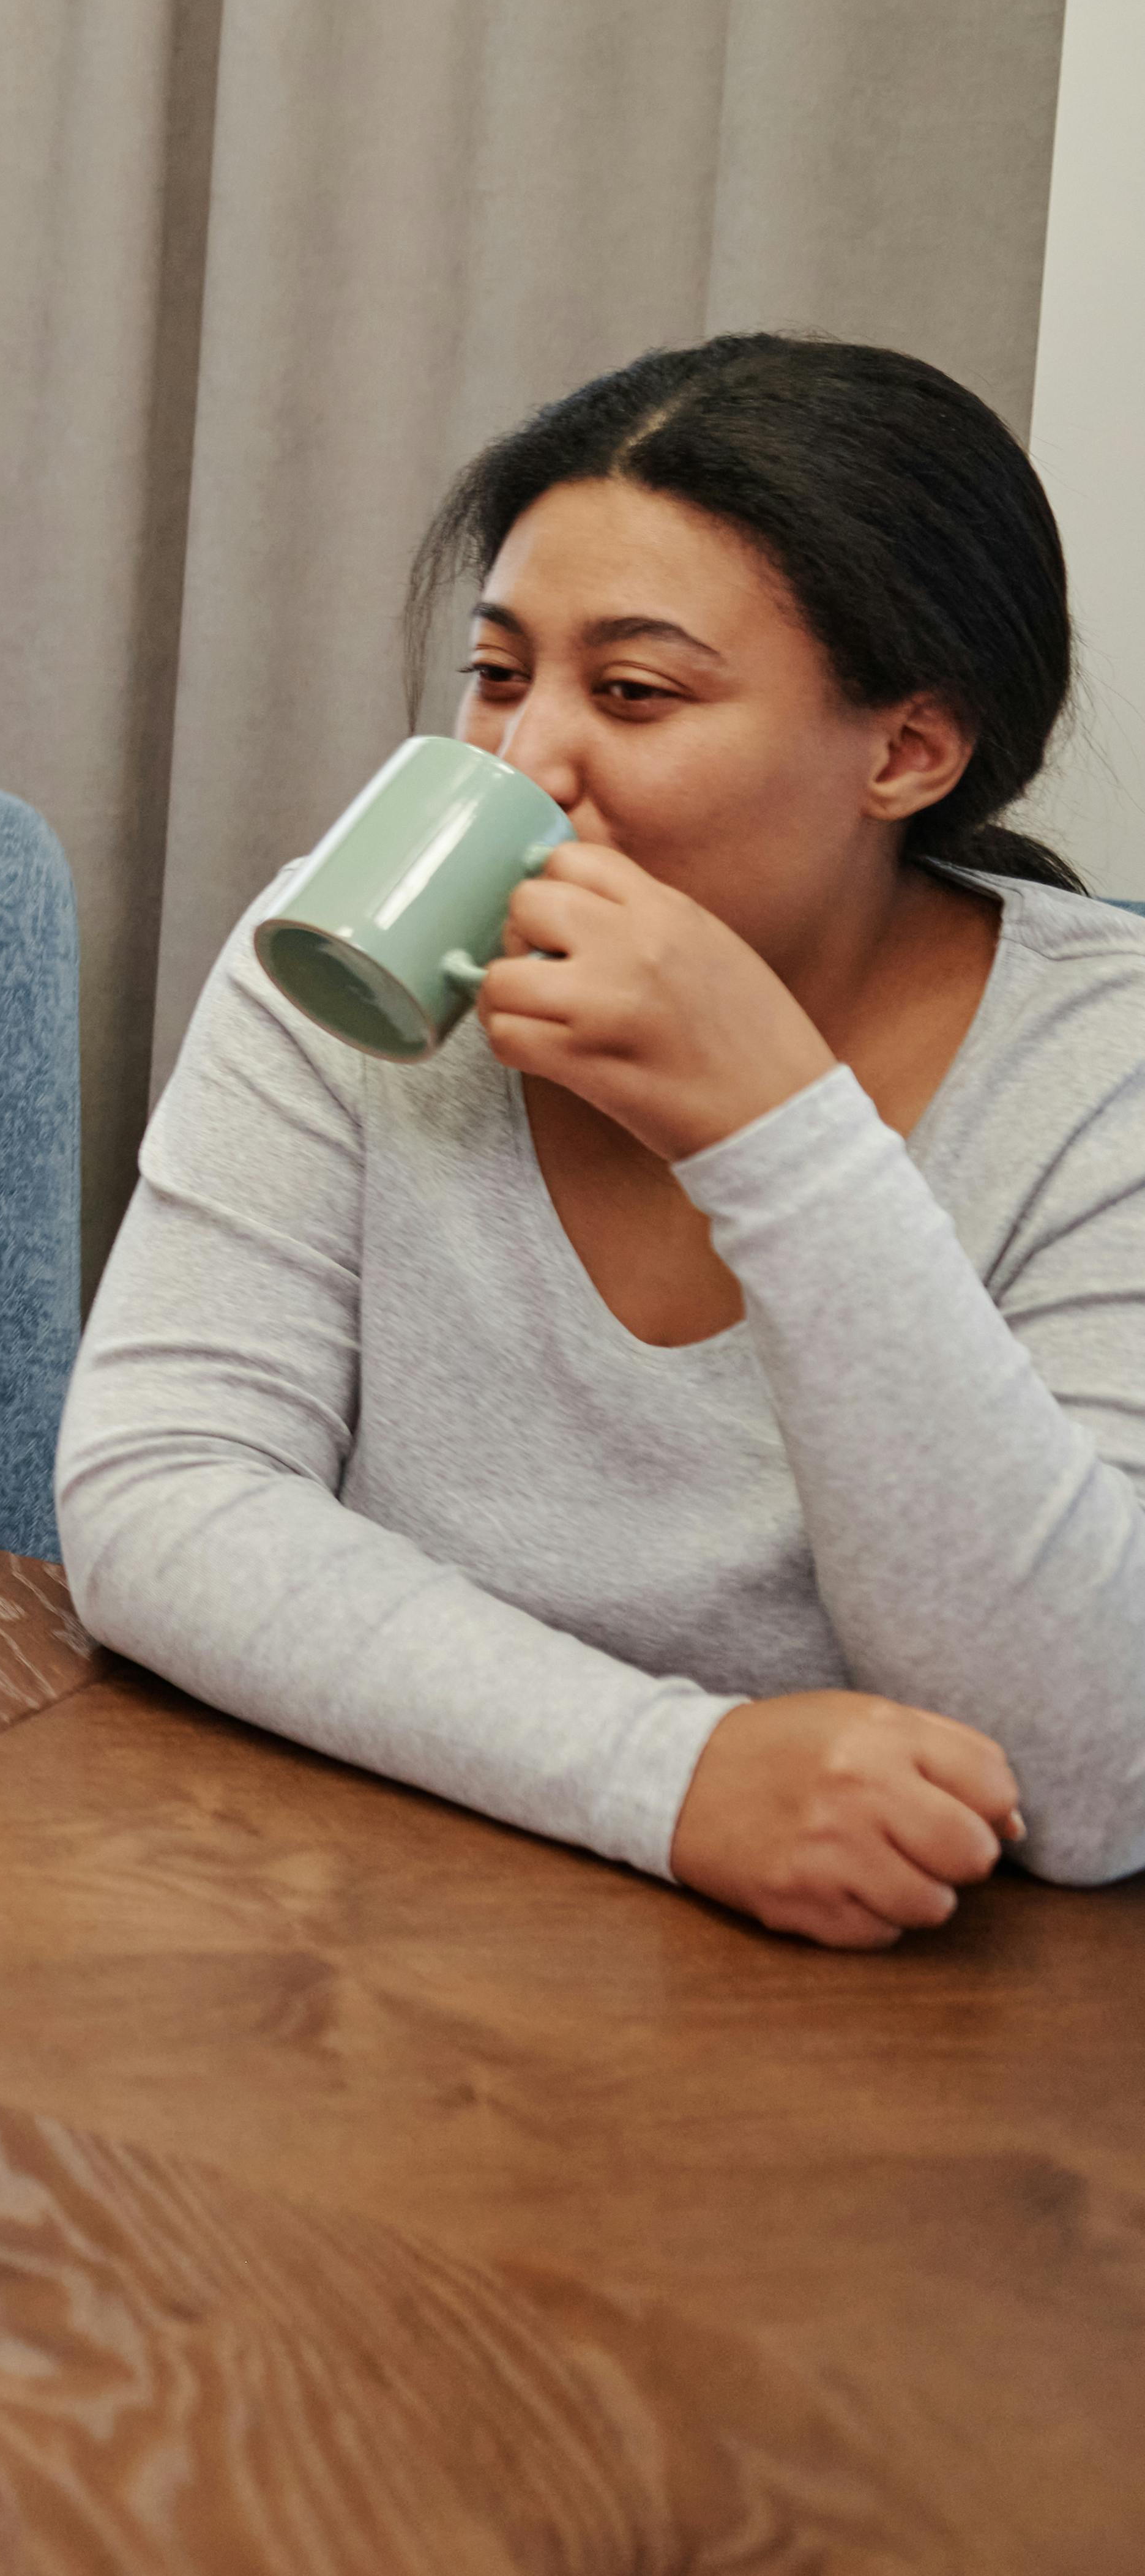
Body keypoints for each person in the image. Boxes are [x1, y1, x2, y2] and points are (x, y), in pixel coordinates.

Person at [60, 334, 1145, 1952]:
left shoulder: (1103, 1064)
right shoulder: (344, 953)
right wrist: (668, 1772)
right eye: (501, 676)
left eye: (633, 692)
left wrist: (779, 1128)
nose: (525, 761)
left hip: (887, 2015)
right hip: (355, 1897)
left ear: (908, 749)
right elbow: (161, 1491)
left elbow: (1087, 1770)